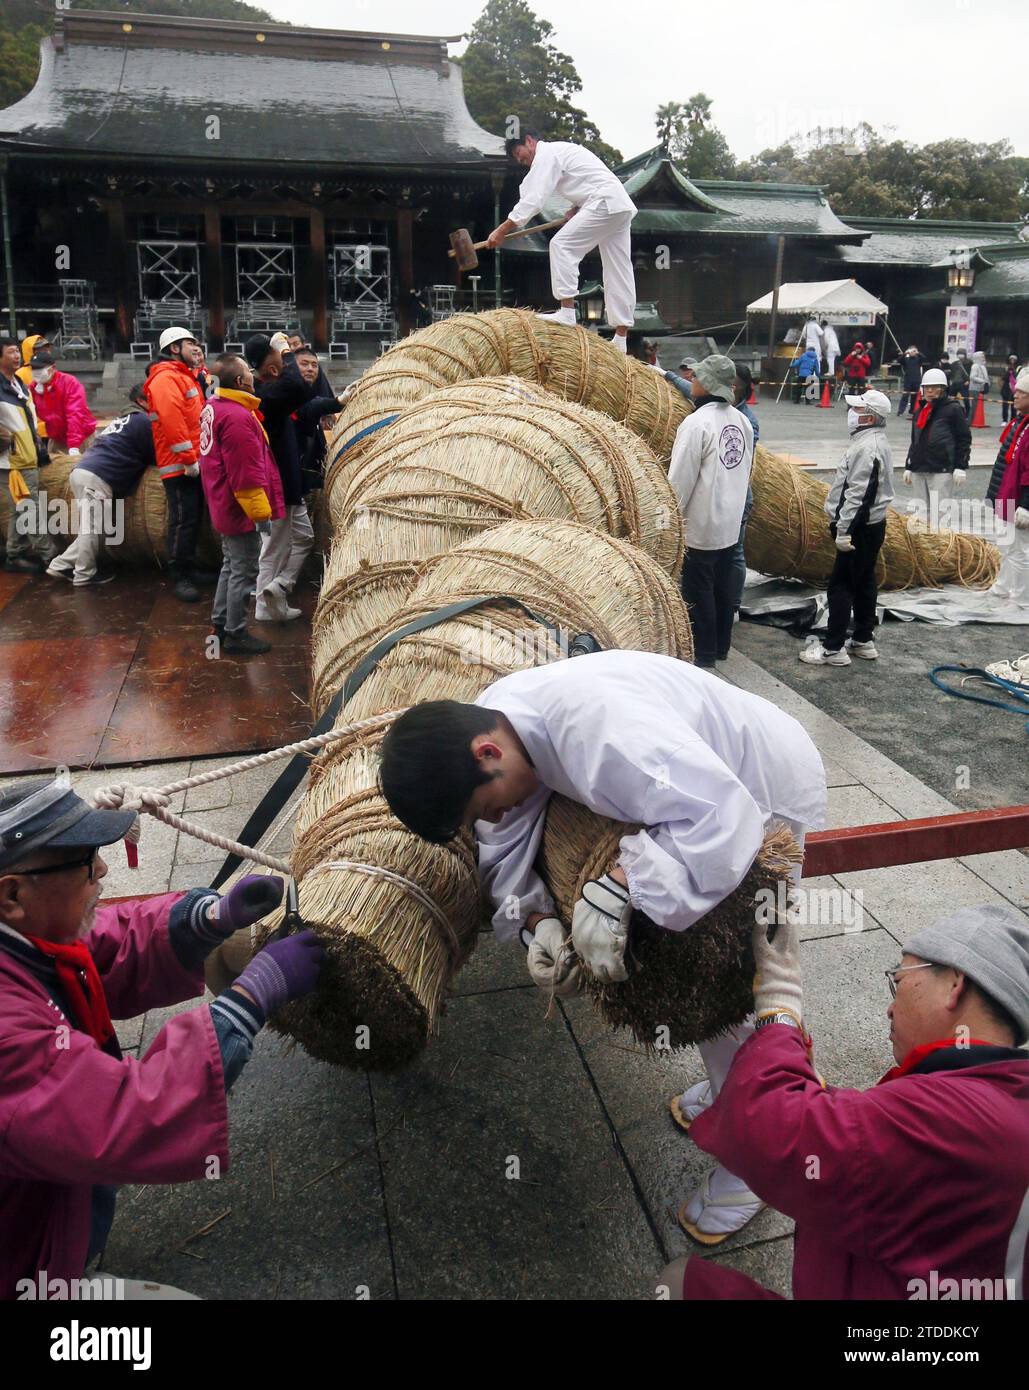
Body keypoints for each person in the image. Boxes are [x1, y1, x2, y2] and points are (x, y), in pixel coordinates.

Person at [378, 648, 827, 1242]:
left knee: (740, 973)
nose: (500, 813)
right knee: (698, 965)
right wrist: (537, 921)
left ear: (486, 754)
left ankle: (764, 1162)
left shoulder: (603, 733)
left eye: (490, 803)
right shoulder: (495, 725)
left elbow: (722, 817)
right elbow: (505, 840)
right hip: (710, 780)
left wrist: (621, 887)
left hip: (757, 783)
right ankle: (735, 1092)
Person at [0, 774, 324, 1300]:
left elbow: (106, 941)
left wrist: (207, 918)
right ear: (13, 894)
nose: (102, 870)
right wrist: (249, 1000)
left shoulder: (22, 937)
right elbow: (126, 1115)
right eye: (85, 863)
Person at [660, 902, 1029, 1300]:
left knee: (676, 1283)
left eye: (899, 979)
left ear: (955, 985)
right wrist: (814, 1098)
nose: (890, 1006)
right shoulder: (1000, 1099)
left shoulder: (962, 1120)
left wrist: (779, 1010)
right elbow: (867, 1156)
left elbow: (768, 1131)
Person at [487, 130, 638, 354]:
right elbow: (593, 179)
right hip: (617, 203)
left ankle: (567, 312)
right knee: (619, 267)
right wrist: (578, 207)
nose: (522, 161)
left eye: (520, 153)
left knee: (561, 245)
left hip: (604, 201)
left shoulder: (547, 154)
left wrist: (502, 229)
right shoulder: (562, 151)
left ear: (529, 141)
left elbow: (534, 198)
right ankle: (621, 338)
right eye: (518, 160)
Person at [246, 332, 343, 621]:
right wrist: (287, 353)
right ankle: (265, 607)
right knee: (273, 548)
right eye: (296, 363)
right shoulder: (267, 394)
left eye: (314, 364)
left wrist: (337, 401)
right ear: (272, 367)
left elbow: (306, 404)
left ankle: (280, 586)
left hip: (291, 484)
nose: (307, 370)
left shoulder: (277, 393)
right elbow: (298, 389)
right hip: (278, 486)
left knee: (303, 538)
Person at [668, 356, 754, 667]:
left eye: (696, 378)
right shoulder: (740, 420)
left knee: (698, 589)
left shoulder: (696, 424)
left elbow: (679, 479)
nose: (691, 380)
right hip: (730, 521)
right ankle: (720, 646)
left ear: (707, 385)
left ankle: (702, 653)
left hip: (701, 524)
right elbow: (744, 470)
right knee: (722, 587)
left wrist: (669, 519)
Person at [800, 389, 895, 667]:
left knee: (840, 586)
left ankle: (833, 648)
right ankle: (864, 639)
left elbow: (859, 494)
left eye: (857, 409)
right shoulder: (873, 442)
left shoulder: (868, 448)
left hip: (858, 528)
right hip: (871, 525)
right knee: (865, 581)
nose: (851, 414)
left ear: (869, 417)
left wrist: (844, 531)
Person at [198, 354, 286, 654]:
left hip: (222, 501)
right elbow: (246, 476)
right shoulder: (237, 417)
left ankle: (221, 624)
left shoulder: (214, 407)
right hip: (239, 508)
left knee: (230, 566)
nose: (253, 375)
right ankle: (236, 633)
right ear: (239, 382)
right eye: (249, 372)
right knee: (243, 571)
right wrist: (261, 515)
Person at [46, 385, 156, 587]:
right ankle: (84, 575)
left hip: (84, 471)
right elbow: (156, 455)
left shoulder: (126, 419)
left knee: (96, 527)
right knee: (93, 528)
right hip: (97, 477)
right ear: (142, 401)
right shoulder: (143, 421)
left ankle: (60, 565)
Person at [143, 325, 209, 603]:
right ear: (174, 348)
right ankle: (180, 575)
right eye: (189, 344)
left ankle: (191, 569)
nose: (196, 348)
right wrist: (188, 459)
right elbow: (172, 422)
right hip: (181, 465)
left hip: (193, 461)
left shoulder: (185, 377)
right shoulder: (166, 379)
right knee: (182, 520)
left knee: (192, 520)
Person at [0, 335, 57, 574]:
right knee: (29, 507)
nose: (17, 357)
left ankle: (15, 554)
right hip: (11, 461)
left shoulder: (19, 385)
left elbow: (30, 421)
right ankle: (51, 557)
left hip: (27, 456)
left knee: (19, 508)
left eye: (17, 352)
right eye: (12, 352)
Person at [986, 367, 1029, 607]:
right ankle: (1003, 587)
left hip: (1019, 499)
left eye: (1020, 393)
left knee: (1020, 550)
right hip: (1007, 494)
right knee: (1006, 546)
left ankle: (1023, 596)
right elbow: (1004, 464)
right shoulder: (1019, 423)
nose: (1015, 396)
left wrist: (1026, 505)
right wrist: (993, 496)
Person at [903, 367, 971, 518]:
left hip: (941, 468)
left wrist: (961, 466)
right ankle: (924, 542)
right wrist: (909, 464)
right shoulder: (920, 411)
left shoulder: (953, 409)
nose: (930, 390)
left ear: (943, 389)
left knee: (940, 514)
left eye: (934, 387)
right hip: (919, 467)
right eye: (927, 387)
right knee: (920, 513)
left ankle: (940, 541)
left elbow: (964, 438)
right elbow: (915, 440)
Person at [728, 367, 759, 619]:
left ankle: (734, 605)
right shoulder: (723, 410)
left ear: (735, 388)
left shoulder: (747, 420)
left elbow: (740, 463)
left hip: (738, 497)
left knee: (735, 551)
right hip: (726, 494)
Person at [28, 348, 97, 457]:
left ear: (52, 368)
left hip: (82, 437)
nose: (36, 373)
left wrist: (74, 445)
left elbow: (75, 414)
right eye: (33, 369)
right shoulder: (33, 388)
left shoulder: (69, 383)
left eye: (40, 369)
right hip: (57, 438)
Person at [890, 345, 925, 417]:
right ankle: (900, 411)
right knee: (905, 396)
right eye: (911, 351)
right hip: (908, 380)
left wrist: (917, 352)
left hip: (917, 380)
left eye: (914, 351)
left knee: (914, 397)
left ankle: (912, 410)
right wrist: (905, 353)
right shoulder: (906, 358)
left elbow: (924, 357)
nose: (912, 352)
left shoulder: (918, 358)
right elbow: (899, 360)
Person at [969, 350, 990, 420]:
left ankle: (975, 419)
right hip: (974, 388)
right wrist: (982, 381)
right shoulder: (975, 366)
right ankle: (970, 421)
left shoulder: (983, 366)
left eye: (983, 356)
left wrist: (987, 382)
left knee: (978, 406)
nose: (983, 358)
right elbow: (972, 377)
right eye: (981, 356)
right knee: (973, 406)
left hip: (981, 388)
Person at [949, 350, 971, 416]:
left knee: (966, 399)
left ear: (965, 355)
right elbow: (951, 373)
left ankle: (967, 414)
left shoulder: (969, 363)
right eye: (959, 354)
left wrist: (968, 380)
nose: (960, 355)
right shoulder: (954, 363)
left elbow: (971, 373)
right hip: (954, 383)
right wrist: (951, 380)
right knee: (951, 398)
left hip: (964, 383)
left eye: (962, 354)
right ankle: (951, 412)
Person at [1001, 355, 1021, 424]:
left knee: (1014, 406)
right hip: (1006, 389)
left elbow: (1018, 378)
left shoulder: (1018, 368)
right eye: (1011, 359)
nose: (1012, 361)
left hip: (1014, 389)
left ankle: (1012, 420)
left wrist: (1013, 372)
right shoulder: (1006, 367)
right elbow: (1003, 378)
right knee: (1005, 406)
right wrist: (1008, 372)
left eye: (1014, 359)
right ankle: (1004, 420)